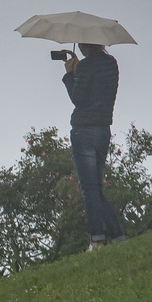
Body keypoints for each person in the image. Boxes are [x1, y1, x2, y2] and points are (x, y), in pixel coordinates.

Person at [62, 43, 126, 249]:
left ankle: (97, 240)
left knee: (90, 188)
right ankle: (118, 237)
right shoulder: (111, 63)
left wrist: (71, 74)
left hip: (84, 130)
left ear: (84, 45)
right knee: (96, 189)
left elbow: (78, 99)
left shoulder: (86, 66)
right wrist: (80, 69)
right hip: (103, 130)